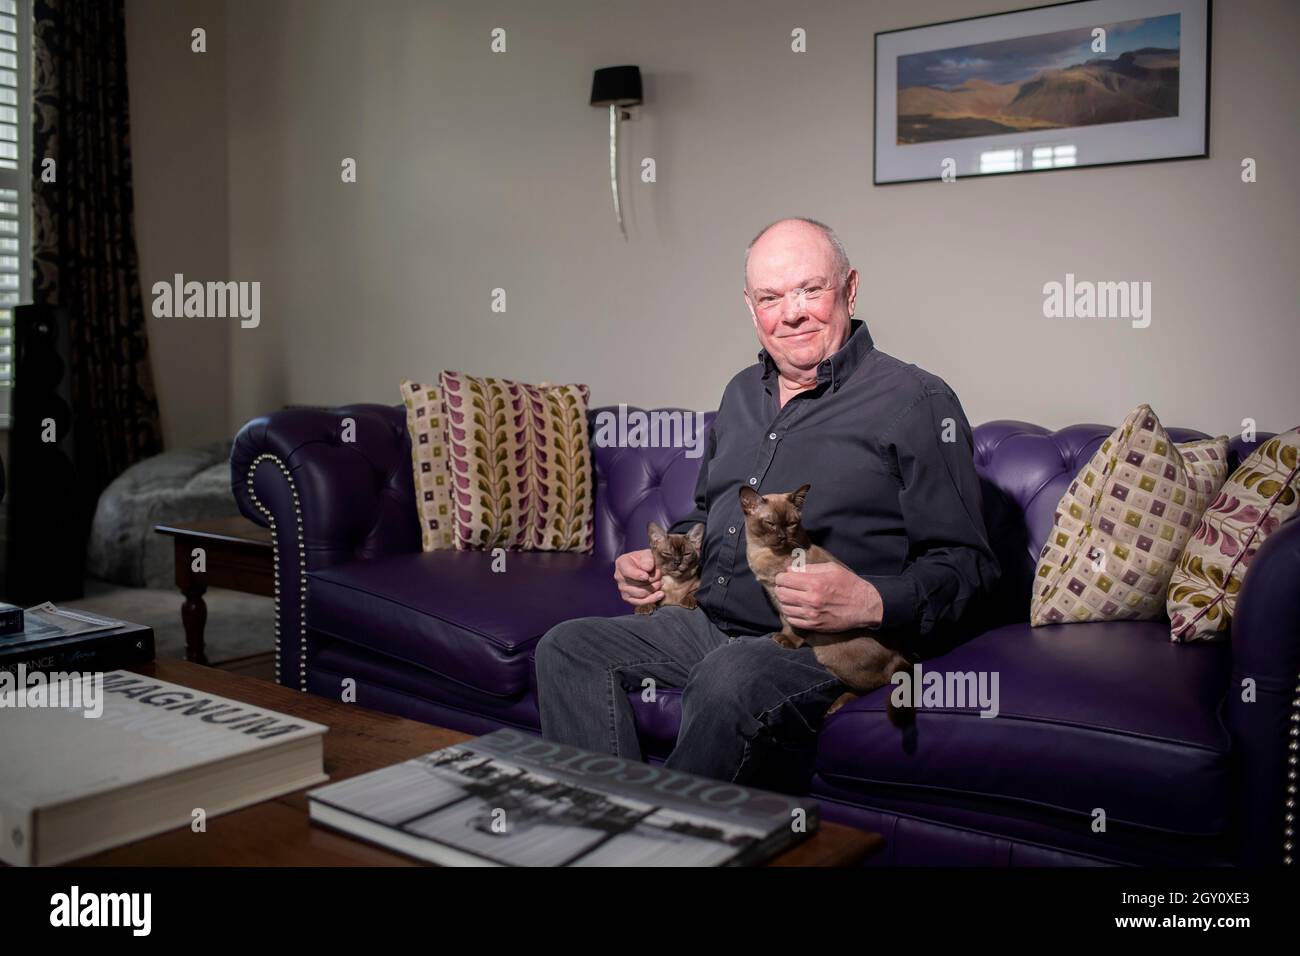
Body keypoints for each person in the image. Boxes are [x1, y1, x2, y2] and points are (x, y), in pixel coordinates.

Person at [535, 217, 999, 793]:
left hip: (820, 645)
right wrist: (664, 558)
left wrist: (872, 600)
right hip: (711, 624)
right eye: (771, 297)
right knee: (569, 647)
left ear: (850, 289)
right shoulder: (738, 395)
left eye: (810, 290)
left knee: (728, 676)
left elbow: (970, 567)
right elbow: (706, 512)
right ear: (750, 307)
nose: (792, 312)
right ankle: (603, 826)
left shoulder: (918, 402)